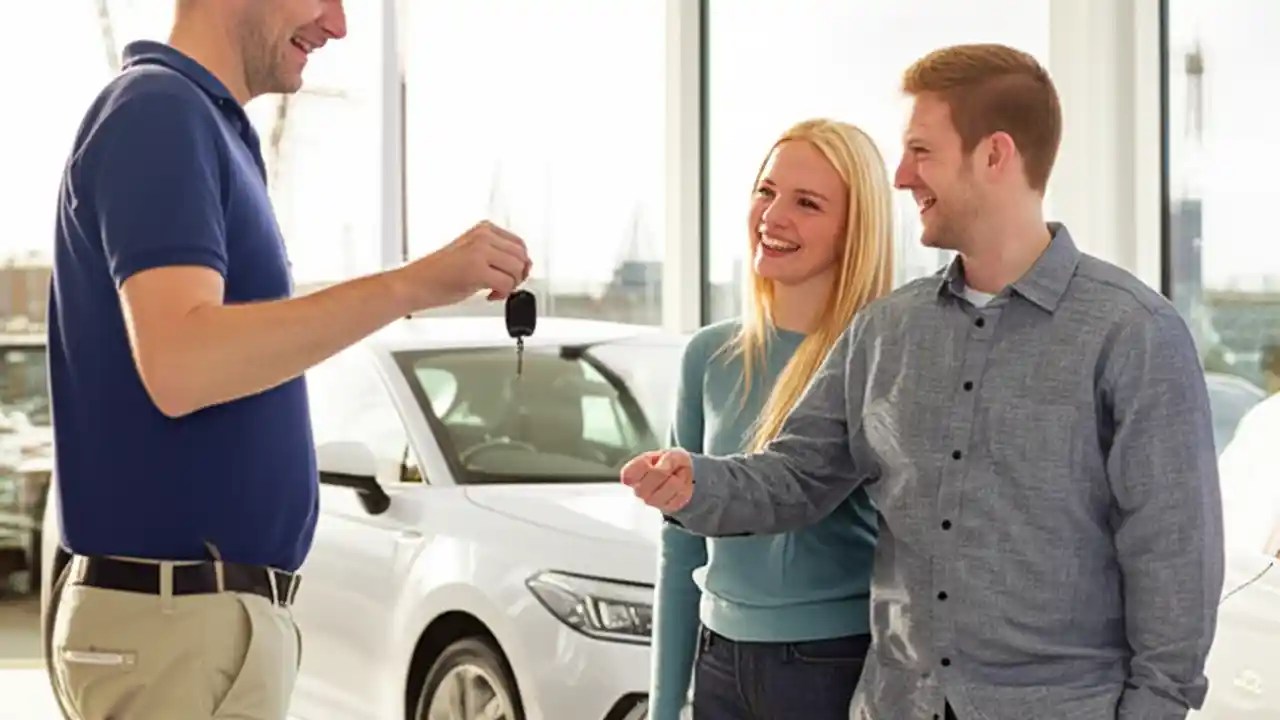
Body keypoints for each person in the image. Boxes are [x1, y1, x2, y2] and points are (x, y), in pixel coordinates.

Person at [624, 43, 1224, 720]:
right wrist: (692, 483)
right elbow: (794, 478)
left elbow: (1174, 564)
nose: (902, 176)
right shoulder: (886, 331)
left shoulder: (1133, 332)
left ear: (994, 155)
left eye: (921, 151)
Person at [43, 1, 531, 718]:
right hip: (176, 627)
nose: (337, 24)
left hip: (198, 626)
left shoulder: (200, 123)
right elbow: (183, 363)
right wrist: (411, 285)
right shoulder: (158, 113)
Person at [649, 118, 895, 719]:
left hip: (830, 667)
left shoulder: (882, 359)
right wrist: (663, 706)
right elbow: (680, 549)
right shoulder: (708, 356)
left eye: (807, 203)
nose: (773, 215)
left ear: (853, 230)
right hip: (717, 661)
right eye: (767, 191)